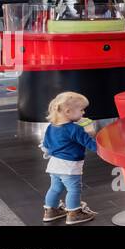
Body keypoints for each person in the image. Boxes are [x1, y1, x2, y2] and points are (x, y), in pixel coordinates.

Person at [40, 91, 98, 225]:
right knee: (74, 189)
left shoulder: (51, 127)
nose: (83, 113)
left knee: (55, 188)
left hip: (54, 164)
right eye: (81, 109)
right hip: (70, 167)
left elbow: (46, 145)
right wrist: (91, 132)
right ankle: (74, 213)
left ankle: (51, 211)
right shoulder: (75, 129)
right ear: (67, 111)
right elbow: (91, 145)